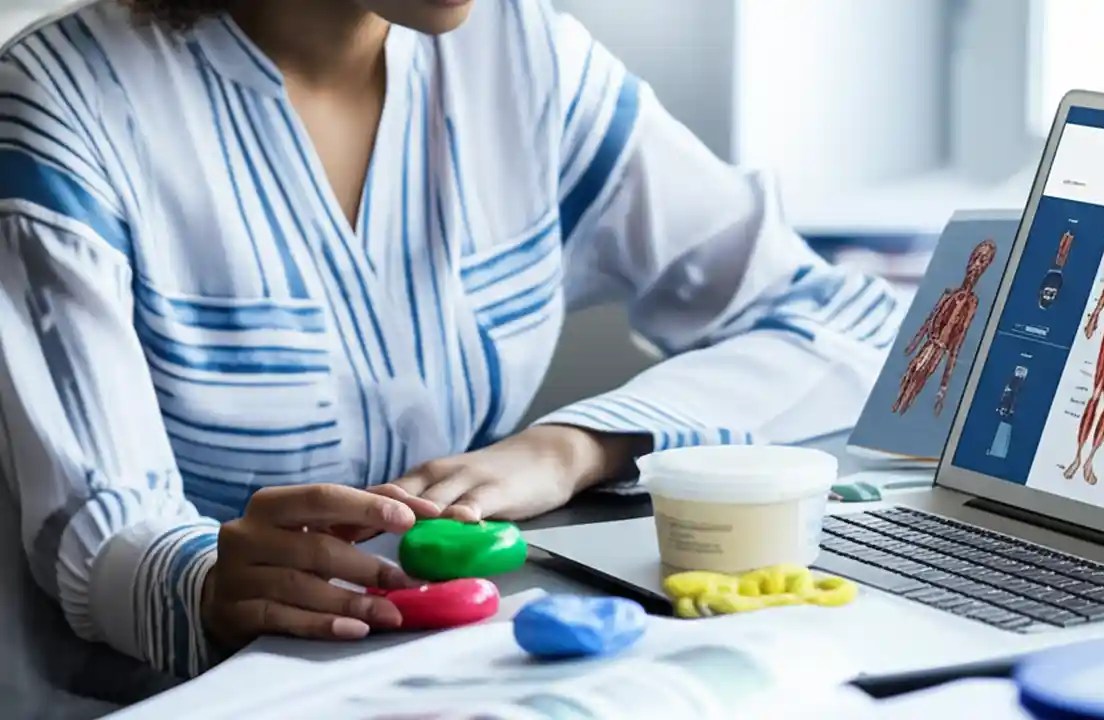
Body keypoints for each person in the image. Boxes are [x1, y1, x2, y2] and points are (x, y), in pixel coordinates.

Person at [0, 0, 901, 678]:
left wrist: (581, 443)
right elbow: (96, 525)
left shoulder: (524, 54)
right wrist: (204, 585)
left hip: (457, 677)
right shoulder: (66, 100)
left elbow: (845, 322)